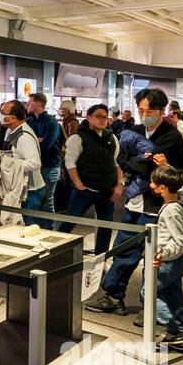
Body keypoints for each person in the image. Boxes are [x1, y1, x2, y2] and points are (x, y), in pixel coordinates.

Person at [86, 87, 183, 316]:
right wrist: (137, 161)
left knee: (157, 257)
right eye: (141, 109)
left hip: (158, 203)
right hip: (135, 200)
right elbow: (121, 157)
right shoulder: (136, 129)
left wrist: (139, 162)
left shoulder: (171, 135)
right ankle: (113, 295)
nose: (144, 114)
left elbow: (146, 166)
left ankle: (152, 307)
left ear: (161, 110)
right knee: (124, 248)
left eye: (149, 110)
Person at [131, 165, 183, 348]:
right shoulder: (178, 201)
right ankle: (177, 334)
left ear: (163, 188)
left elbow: (178, 240)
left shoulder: (172, 210)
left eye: (154, 183)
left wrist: (161, 254)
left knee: (147, 293)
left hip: (166, 261)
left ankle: (173, 329)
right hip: (172, 261)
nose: (151, 185)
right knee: (173, 295)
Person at [59, 103, 122, 254]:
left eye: (105, 117)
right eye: (98, 116)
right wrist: (79, 184)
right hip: (85, 190)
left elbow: (115, 163)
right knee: (69, 222)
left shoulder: (111, 137)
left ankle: (101, 258)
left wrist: (119, 183)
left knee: (105, 227)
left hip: (107, 190)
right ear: (88, 117)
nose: (102, 120)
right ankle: (58, 254)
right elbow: (70, 163)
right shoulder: (77, 137)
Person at [0, 100, 44, 224]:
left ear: (12, 117)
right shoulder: (10, 131)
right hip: (19, 188)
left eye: (3, 113)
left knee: (29, 228)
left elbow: (35, 163)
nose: (0, 115)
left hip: (30, 191)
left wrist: (11, 165)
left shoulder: (24, 136)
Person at [25, 93, 62, 213]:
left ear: (39, 104)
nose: (27, 105)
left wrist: (35, 141)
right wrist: (38, 139)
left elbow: (47, 144)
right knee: (34, 198)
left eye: (30, 102)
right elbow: (26, 142)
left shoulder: (52, 122)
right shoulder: (29, 121)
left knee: (47, 200)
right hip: (34, 166)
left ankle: (49, 228)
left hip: (49, 166)